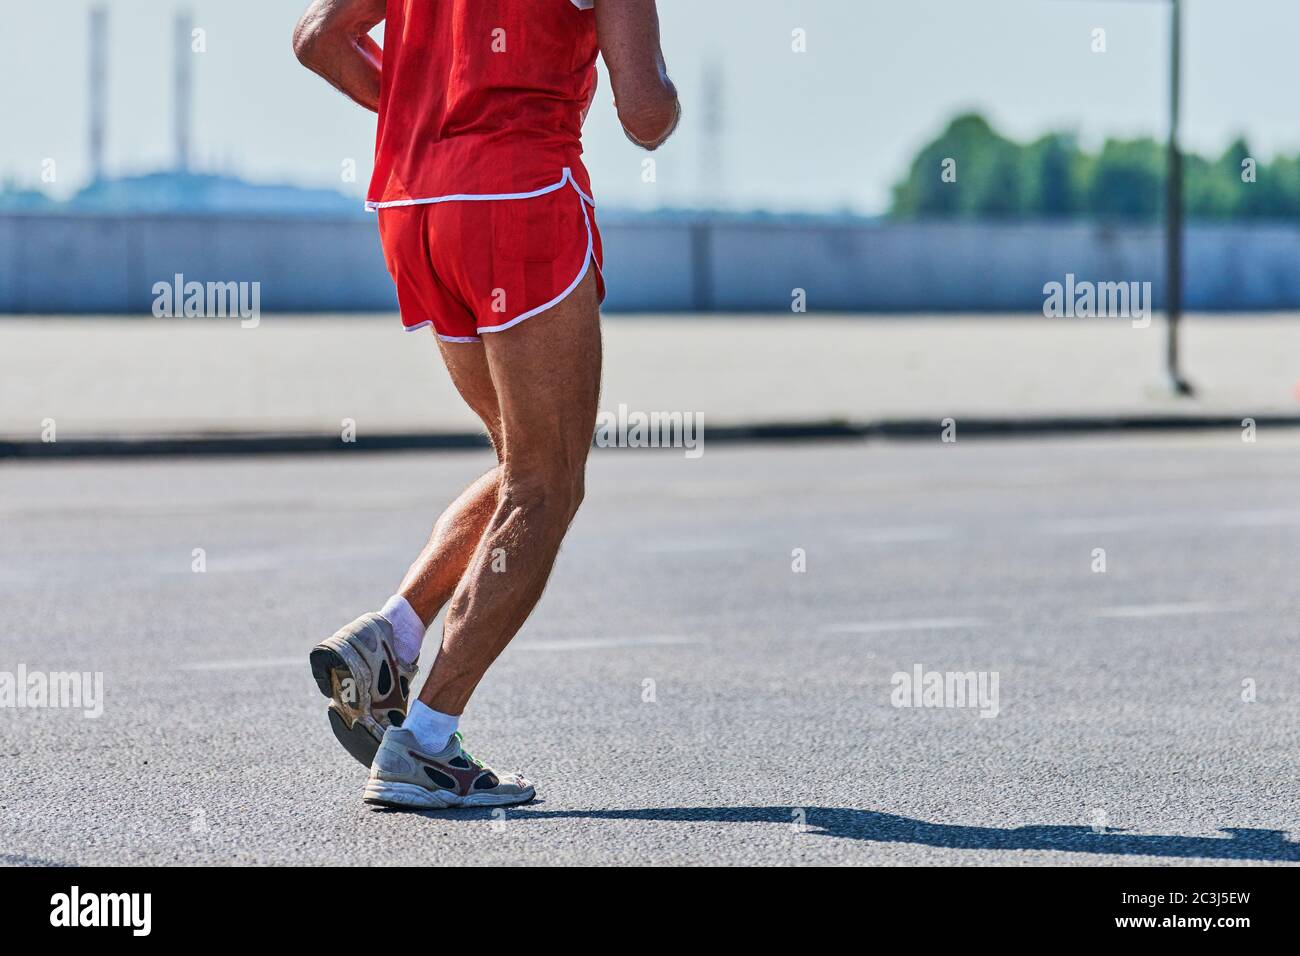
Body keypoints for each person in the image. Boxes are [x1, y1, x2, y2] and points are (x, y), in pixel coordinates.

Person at [293, 0, 680, 809]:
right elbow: (644, 115)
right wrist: (671, 99)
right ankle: (425, 742)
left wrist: (424, 114)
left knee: (520, 464)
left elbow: (318, 39)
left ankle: (391, 637)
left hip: (414, 208)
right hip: (519, 201)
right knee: (548, 485)